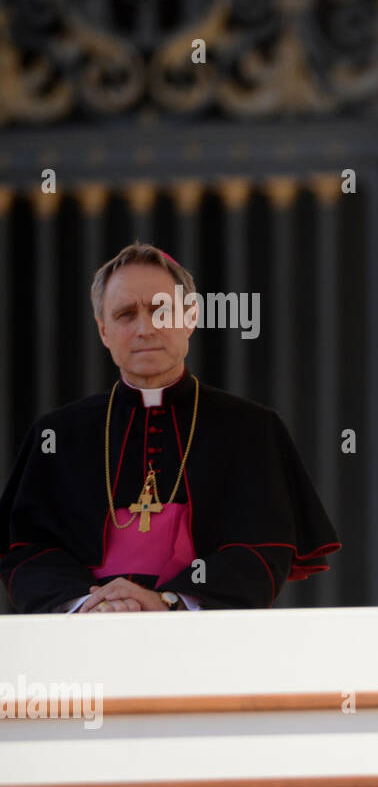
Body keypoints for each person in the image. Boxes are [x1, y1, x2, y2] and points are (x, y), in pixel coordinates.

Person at [0, 242, 339, 613]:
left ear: (190, 317)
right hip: (84, 639)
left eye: (161, 310)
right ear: (103, 332)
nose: (145, 328)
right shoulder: (58, 435)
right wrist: (88, 604)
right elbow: (26, 548)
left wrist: (171, 601)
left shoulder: (251, 429)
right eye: (126, 314)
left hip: (210, 642)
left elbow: (262, 549)